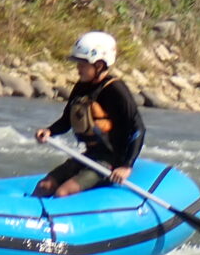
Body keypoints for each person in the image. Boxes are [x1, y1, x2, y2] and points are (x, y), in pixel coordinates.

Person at [32, 31, 145, 197]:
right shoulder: (81, 86)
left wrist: (126, 166)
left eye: (82, 64)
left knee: (63, 192)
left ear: (99, 65)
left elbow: (138, 129)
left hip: (109, 162)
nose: (78, 68)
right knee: (44, 186)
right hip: (89, 155)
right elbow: (66, 121)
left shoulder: (116, 90)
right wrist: (49, 131)